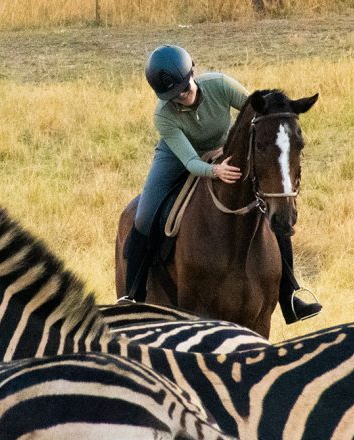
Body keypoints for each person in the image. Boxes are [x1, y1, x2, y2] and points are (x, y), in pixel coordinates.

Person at [122, 44, 321, 324]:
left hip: (223, 148)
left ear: (192, 72)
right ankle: (133, 294)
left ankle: (290, 297)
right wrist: (215, 171)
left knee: (275, 215)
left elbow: (255, 115)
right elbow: (191, 162)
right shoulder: (163, 116)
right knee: (143, 215)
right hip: (179, 157)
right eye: (175, 94)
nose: (184, 94)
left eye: (185, 86)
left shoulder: (219, 85)